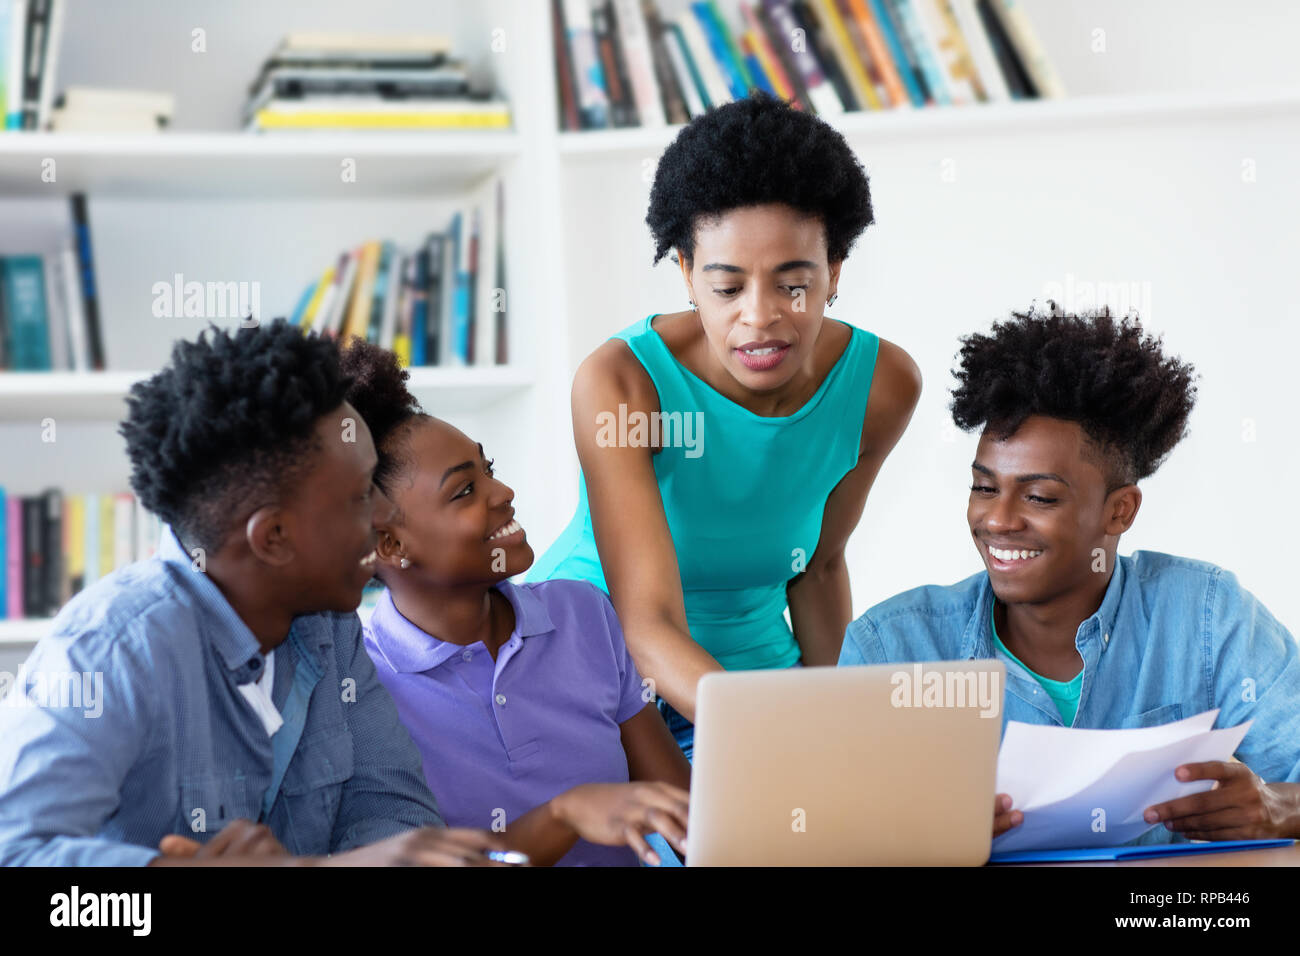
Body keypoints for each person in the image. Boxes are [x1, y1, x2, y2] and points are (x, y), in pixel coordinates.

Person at [0, 320, 506, 866]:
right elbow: (18, 853)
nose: (385, 516)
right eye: (362, 496)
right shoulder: (109, 648)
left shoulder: (331, 627)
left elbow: (394, 811)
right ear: (273, 537)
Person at [529, 91, 922, 758]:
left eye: (793, 284)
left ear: (834, 274)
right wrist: (761, 734)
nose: (760, 317)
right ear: (685, 274)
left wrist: (843, 733)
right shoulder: (623, 384)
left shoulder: (882, 385)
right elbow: (645, 622)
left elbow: (819, 570)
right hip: (602, 686)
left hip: (755, 684)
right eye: (728, 286)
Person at [840, 304, 1300, 843]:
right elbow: (824, 828)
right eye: (985, 487)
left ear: (1120, 511)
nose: (998, 520)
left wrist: (1279, 807)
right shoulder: (893, 646)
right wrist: (899, 833)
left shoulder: (1207, 617)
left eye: (1038, 496)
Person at [340, 341, 692, 866]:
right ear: (390, 545)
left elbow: (688, 813)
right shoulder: (365, 686)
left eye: (489, 468)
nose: (503, 491)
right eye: (464, 491)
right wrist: (564, 812)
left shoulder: (583, 613)